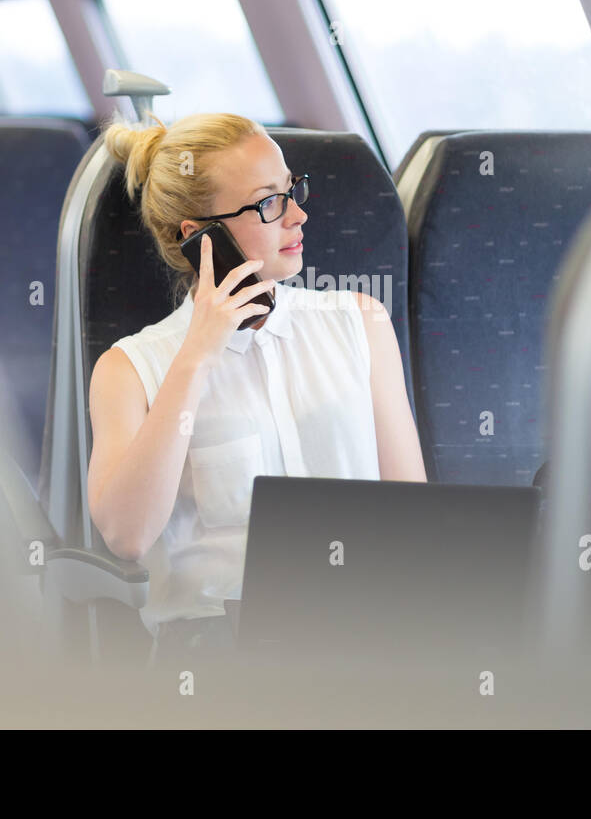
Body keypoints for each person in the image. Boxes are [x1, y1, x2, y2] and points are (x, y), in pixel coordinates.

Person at [85, 113, 426, 666]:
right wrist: (197, 357)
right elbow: (127, 535)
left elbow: (413, 515)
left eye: (292, 190)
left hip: (359, 634)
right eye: (270, 203)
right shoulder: (130, 368)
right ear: (199, 237)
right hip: (218, 653)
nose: (299, 214)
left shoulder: (361, 323)